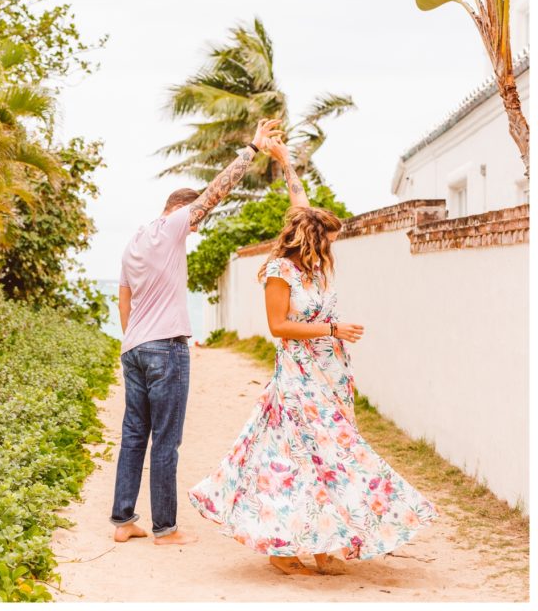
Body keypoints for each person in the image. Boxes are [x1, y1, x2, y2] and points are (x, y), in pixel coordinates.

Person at [187, 135, 439, 574]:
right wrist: (332, 328)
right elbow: (279, 327)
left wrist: (285, 160)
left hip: (332, 376)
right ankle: (283, 548)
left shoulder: (317, 267)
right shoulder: (280, 272)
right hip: (298, 382)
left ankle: (325, 544)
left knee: (331, 461)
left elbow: (298, 200)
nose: (331, 249)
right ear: (311, 240)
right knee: (301, 460)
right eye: (328, 241)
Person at [112, 118, 286, 545]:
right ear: (180, 210)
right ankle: (166, 530)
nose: (193, 231)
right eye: (194, 223)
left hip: (133, 348)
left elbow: (123, 300)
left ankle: (123, 522)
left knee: (134, 436)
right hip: (166, 350)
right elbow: (214, 193)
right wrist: (252, 149)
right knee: (166, 442)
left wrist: (133, 337)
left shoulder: (133, 241)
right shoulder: (172, 227)